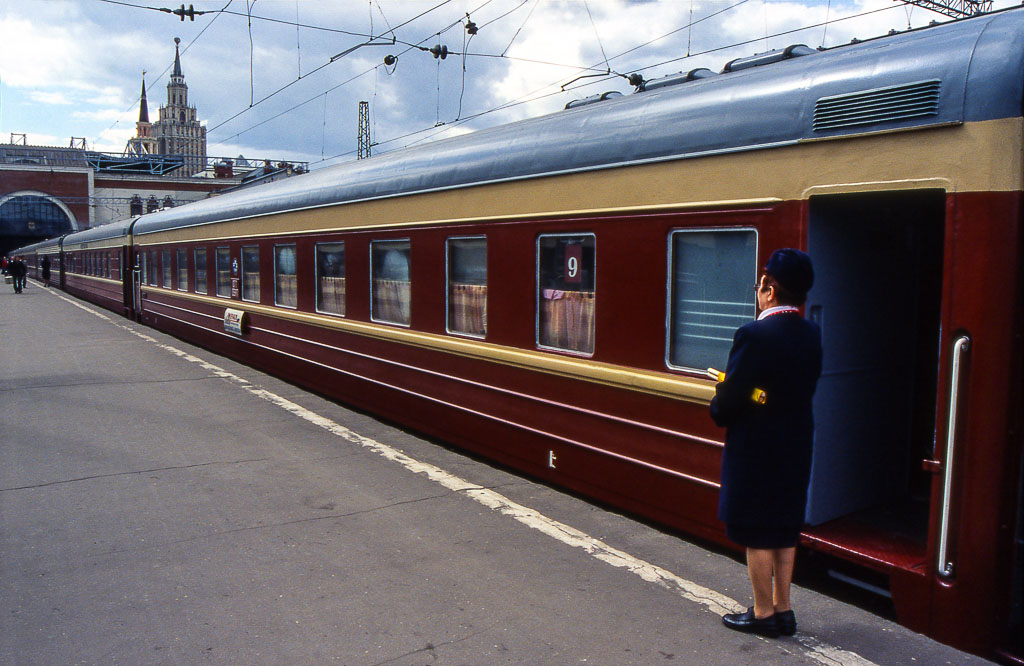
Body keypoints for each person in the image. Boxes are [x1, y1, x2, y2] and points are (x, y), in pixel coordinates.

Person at [709, 248, 822, 638]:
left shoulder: (753, 334)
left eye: (761, 284)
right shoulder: (812, 333)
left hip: (756, 448)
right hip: (796, 442)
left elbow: (731, 401)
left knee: (756, 528)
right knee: (784, 524)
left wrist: (721, 396)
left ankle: (761, 614)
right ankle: (784, 609)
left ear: (769, 290)